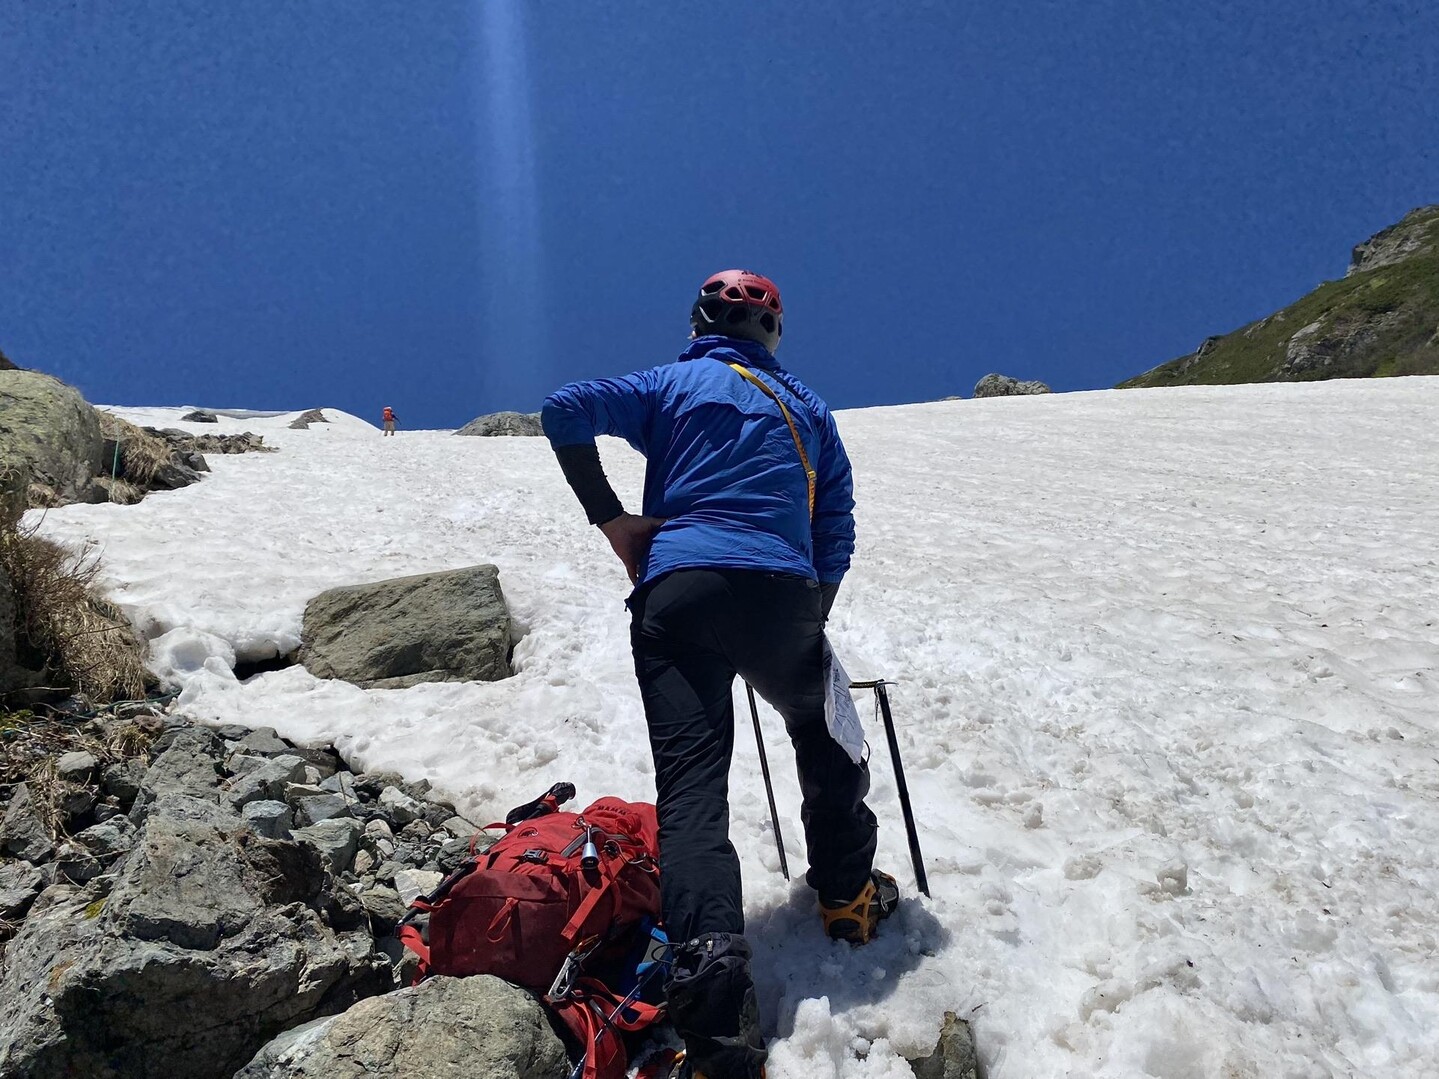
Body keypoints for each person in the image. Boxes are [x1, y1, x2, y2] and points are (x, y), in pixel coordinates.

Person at [542, 269, 897, 1079]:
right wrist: (812, 609)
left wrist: (613, 521)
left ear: (701, 320)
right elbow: (834, 522)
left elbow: (563, 409)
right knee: (820, 729)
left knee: (693, 787)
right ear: (772, 331)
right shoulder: (806, 408)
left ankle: (710, 1015)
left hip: (678, 589)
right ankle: (845, 895)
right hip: (780, 591)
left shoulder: (667, 382)